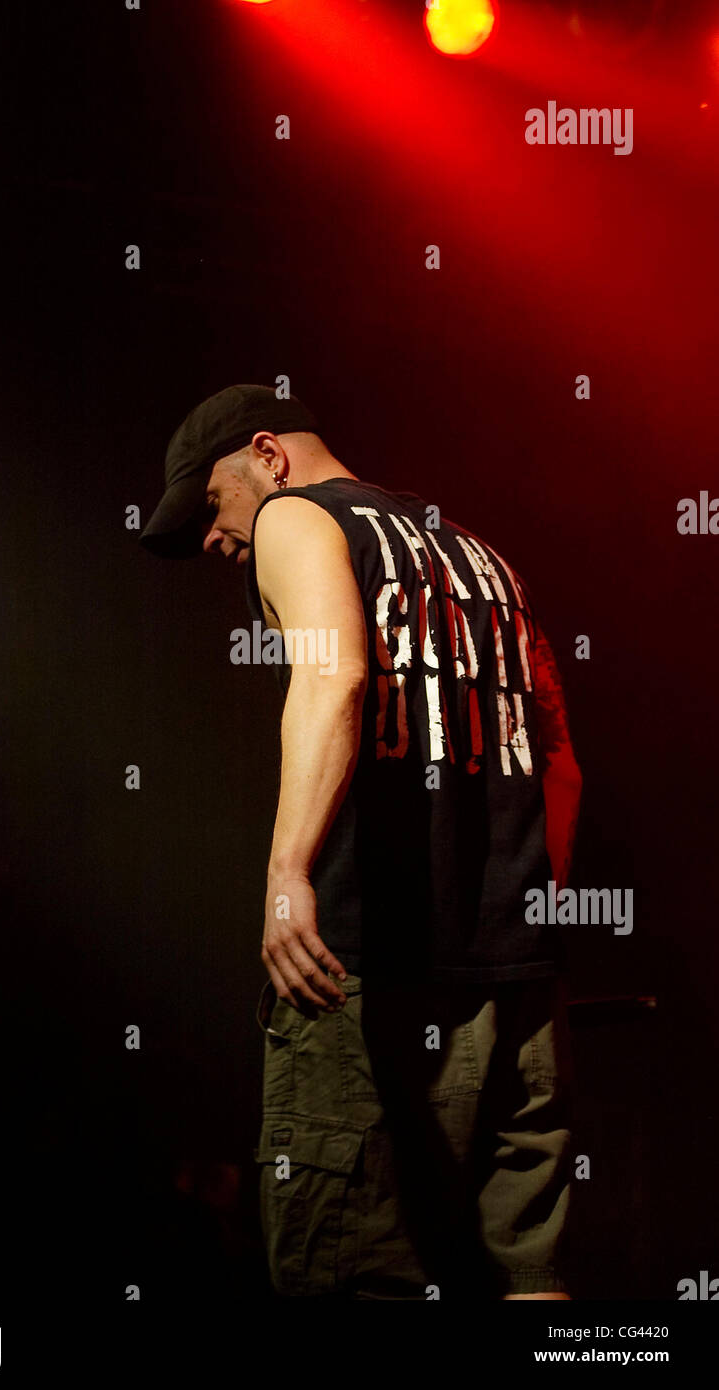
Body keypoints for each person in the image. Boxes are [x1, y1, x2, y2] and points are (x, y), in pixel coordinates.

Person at [139, 384, 583, 1301]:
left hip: (367, 971)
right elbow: (559, 759)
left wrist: (286, 873)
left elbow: (333, 674)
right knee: (526, 1278)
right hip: (518, 982)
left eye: (212, 508)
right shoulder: (483, 557)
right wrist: (526, 906)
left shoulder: (296, 517)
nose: (218, 541)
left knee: (345, 1270)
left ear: (268, 455)